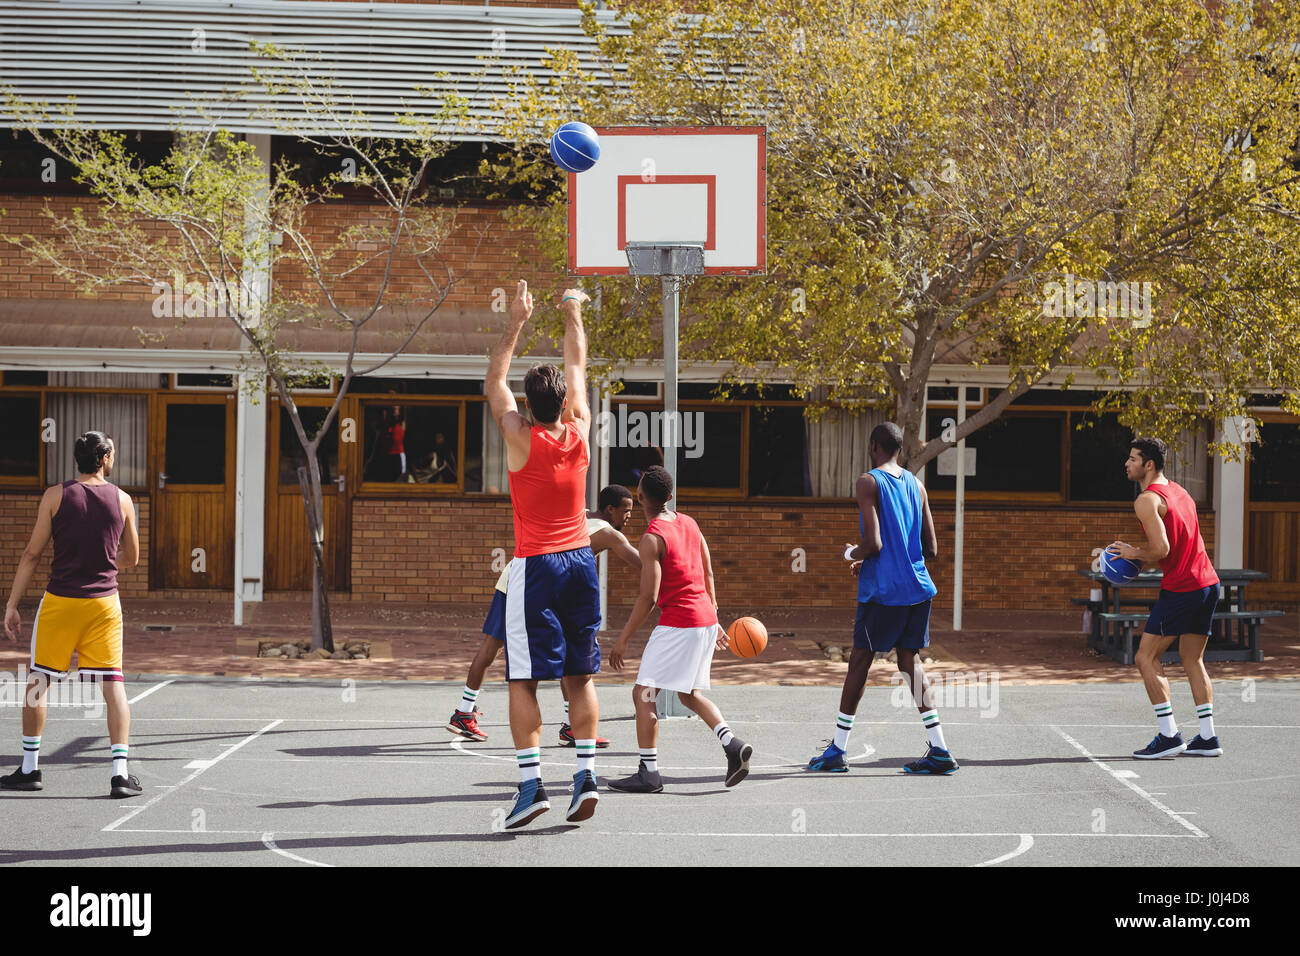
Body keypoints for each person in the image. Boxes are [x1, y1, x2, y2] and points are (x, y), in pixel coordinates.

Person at [486, 279, 602, 829]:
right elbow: (577, 366)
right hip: (582, 562)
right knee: (579, 678)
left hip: (535, 568)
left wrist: (516, 322)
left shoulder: (519, 437)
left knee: (522, 681)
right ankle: (586, 776)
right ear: (564, 404)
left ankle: (532, 786)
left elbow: (493, 384)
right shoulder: (579, 431)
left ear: (529, 407)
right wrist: (573, 307)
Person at [807, 422, 957, 775]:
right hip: (919, 590)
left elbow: (874, 544)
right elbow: (930, 548)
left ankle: (837, 750)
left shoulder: (868, 481)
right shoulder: (917, 485)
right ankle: (940, 749)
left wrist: (850, 555)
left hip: (885, 594)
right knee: (909, 662)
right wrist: (879, 562)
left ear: (873, 445)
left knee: (859, 661)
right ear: (900, 449)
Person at [1, 431, 143, 798]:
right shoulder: (123, 500)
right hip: (103, 605)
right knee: (113, 685)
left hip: (61, 602)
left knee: (38, 681)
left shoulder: (55, 495)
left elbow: (32, 554)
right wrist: (105, 557)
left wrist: (12, 604)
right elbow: (132, 559)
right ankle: (119, 775)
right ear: (106, 458)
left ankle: (30, 769)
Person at [447, 484, 639, 746]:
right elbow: (640, 560)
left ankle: (468, 712)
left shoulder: (578, 514)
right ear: (610, 509)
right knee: (496, 649)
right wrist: (673, 559)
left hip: (533, 580)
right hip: (528, 583)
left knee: (562, 654)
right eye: (626, 512)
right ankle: (464, 714)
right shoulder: (608, 533)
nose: (629, 517)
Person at [607, 466, 752, 793]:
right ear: (670, 497)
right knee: (688, 694)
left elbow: (649, 597)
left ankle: (649, 772)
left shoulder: (651, 539)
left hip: (679, 623)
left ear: (639, 496)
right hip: (702, 619)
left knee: (643, 693)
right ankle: (732, 745)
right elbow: (708, 572)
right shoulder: (689, 523)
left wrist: (622, 639)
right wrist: (714, 618)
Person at [1107, 437, 1222, 758]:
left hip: (1183, 588)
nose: (1126, 464)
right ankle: (1208, 738)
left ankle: (1169, 734)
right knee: (1192, 659)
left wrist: (1133, 553)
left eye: (1132, 459)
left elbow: (1162, 550)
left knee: (1145, 657)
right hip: (1208, 582)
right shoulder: (1179, 491)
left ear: (1149, 465)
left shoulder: (1146, 500)